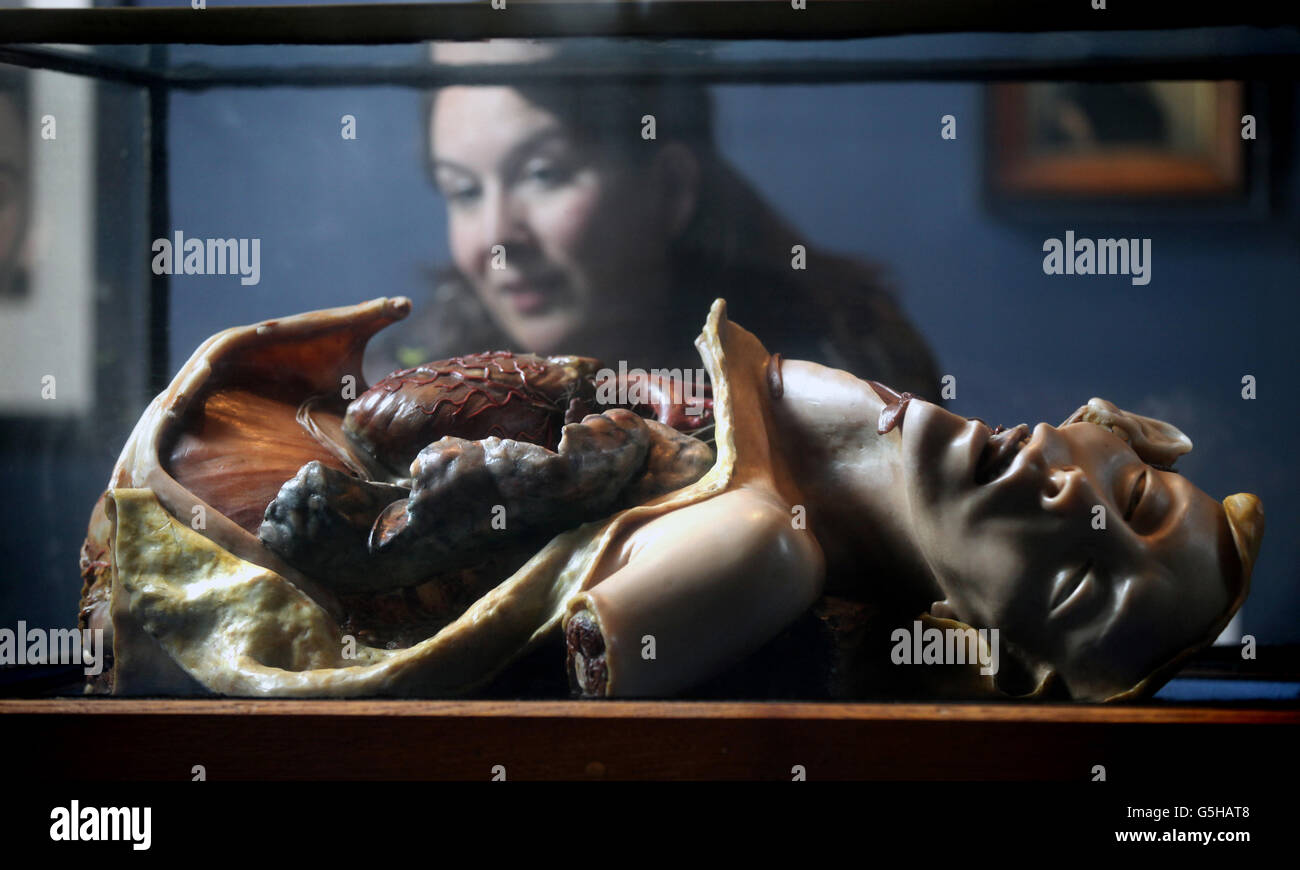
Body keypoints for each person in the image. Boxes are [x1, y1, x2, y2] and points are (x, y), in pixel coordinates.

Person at [364, 39, 941, 400]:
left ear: (670, 187)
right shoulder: (415, 381)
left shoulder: (844, 372)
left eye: (544, 175)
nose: (496, 238)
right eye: (462, 190)